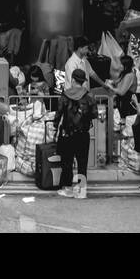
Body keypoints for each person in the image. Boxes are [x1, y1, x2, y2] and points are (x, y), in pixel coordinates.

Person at [54, 68, 96, 197]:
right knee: (82, 163)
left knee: (67, 162)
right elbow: (94, 114)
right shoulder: (89, 97)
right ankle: (82, 191)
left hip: (67, 134)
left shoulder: (65, 95)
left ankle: (67, 188)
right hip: (83, 134)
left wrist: (56, 126)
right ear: (83, 82)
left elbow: (58, 114)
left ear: (72, 80)